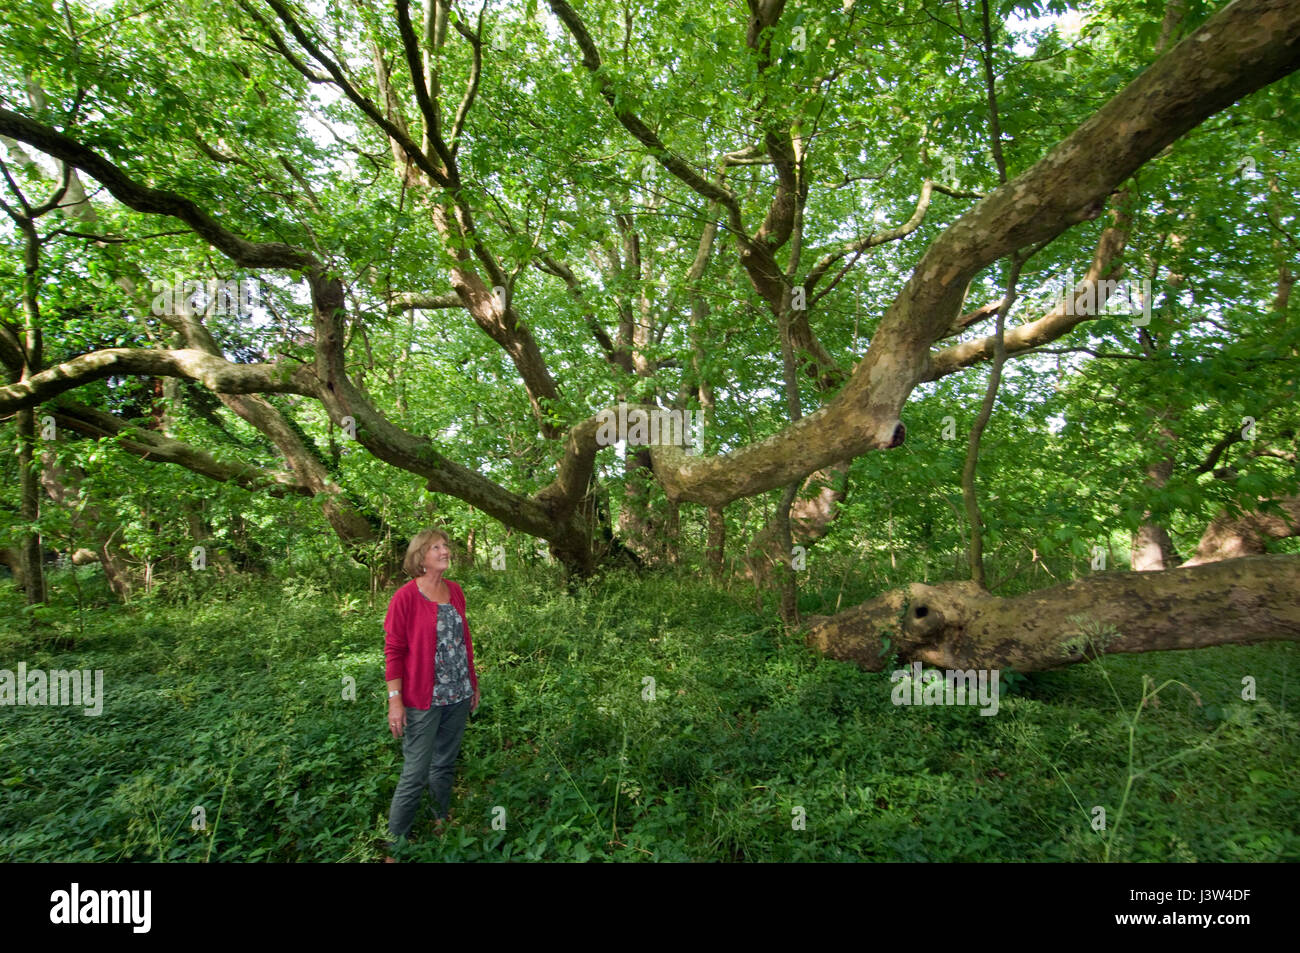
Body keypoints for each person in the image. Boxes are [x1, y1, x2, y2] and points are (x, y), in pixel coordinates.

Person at [383, 528, 479, 860]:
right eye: (436, 547)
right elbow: (394, 650)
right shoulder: (406, 597)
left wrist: (473, 685)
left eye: (446, 546)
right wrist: (395, 700)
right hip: (422, 699)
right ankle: (395, 843)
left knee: (445, 763)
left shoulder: (455, 591)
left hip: (458, 694)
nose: (445, 551)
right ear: (420, 556)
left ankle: (440, 817)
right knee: (414, 772)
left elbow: (464, 642)